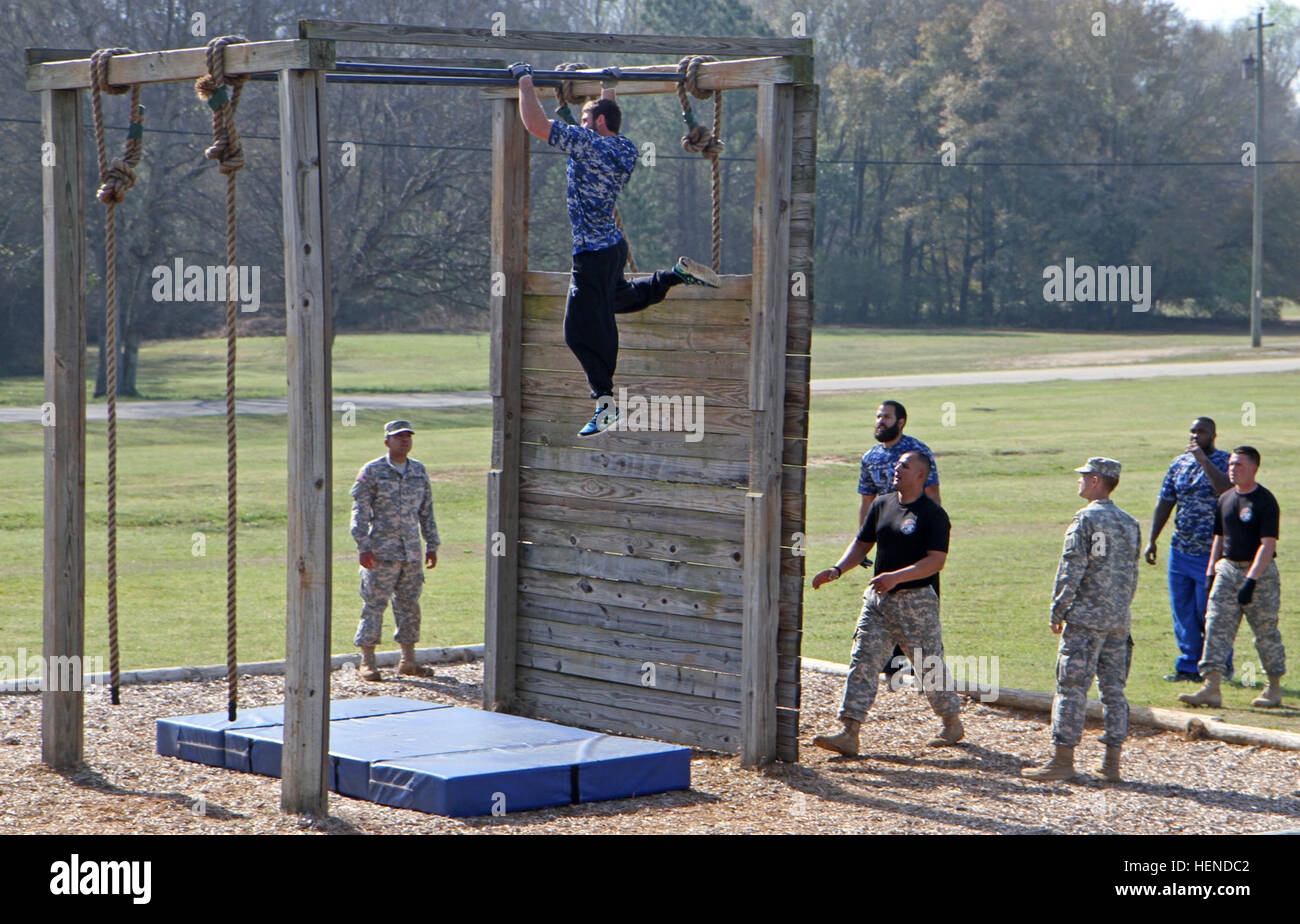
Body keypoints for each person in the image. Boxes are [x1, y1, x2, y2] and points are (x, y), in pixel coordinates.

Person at [509, 62, 718, 437]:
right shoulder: (624, 147)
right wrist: (607, 87)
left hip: (593, 252)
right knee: (618, 298)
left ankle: (605, 404)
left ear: (599, 124)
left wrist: (524, 81)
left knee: (578, 330)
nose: (580, 125)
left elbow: (536, 126)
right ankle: (674, 275)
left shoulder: (588, 143)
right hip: (610, 248)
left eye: (586, 120)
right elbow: (607, 114)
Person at [810, 450, 964, 756]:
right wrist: (837, 569)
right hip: (879, 601)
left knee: (927, 665)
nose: (897, 469)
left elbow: (936, 562)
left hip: (916, 602)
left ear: (921, 475)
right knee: (862, 658)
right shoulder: (883, 504)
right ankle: (849, 731)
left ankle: (951, 722)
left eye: (905, 466)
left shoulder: (933, 515)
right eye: (897, 464)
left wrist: (896, 577)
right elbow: (863, 543)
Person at [1024, 458, 1140, 783]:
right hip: (1118, 619)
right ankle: (1111, 762)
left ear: (1097, 481)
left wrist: (1058, 610)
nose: (1080, 480)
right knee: (1114, 689)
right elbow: (1131, 574)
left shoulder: (1085, 519)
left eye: (1084, 476)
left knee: (1071, 687)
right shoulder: (1130, 522)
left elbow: (1071, 568)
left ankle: (1063, 760)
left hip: (1087, 619)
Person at [1180, 446, 1285, 709]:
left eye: (1238, 465)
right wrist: (1210, 572)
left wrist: (1251, 580)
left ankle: (1273, 688)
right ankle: (1211, 687)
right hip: (1227, 569)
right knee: (1215, 625)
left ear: (1253, 468)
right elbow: (1219, 537)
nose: (1232, 469)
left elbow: (1268, 544)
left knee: (1264, 631)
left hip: (1258, 571)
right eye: (1230, 464)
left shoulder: (1264, 501)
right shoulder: (1225, 498)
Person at [349, 420, 440, 681]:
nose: (405, 441)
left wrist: (431, 544)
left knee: (409, 606)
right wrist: (363, 547)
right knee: (374, 606)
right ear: (387, 441)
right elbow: (360, 512)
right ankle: (367, 662)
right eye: (399, 437)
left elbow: (426, 511)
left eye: (408, 437)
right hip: (380, 553)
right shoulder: (372, 471)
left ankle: (408, 660)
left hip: (411, 553)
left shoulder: (418, 471)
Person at [857, 400, 941, 680]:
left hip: (916, 536)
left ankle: (927, 671)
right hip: (886, 536)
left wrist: (934, 537)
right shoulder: (869, 458)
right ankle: (892, 668)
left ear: (901, 421)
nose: (880, 421)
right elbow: (866, 501)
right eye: (878, 416)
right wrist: (863, 542)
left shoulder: (917, 453)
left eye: (886, 417)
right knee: (884, 600)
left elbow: (933, 496)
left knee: (921, 602)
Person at [1145, 417, 1231, 682]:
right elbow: (1165, 502)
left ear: (1214, 435)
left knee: (1210, 611)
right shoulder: (1179, 463)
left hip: (1212, 551)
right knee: (1182, 611)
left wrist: (1203, 461)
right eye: (1192, 431)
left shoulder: (1227, 462)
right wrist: (1152, 539)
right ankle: (1188, 667)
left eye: (1201, 432)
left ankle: (1218, 667)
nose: (1195, 436)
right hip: (1181, 548)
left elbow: (1227, 492)